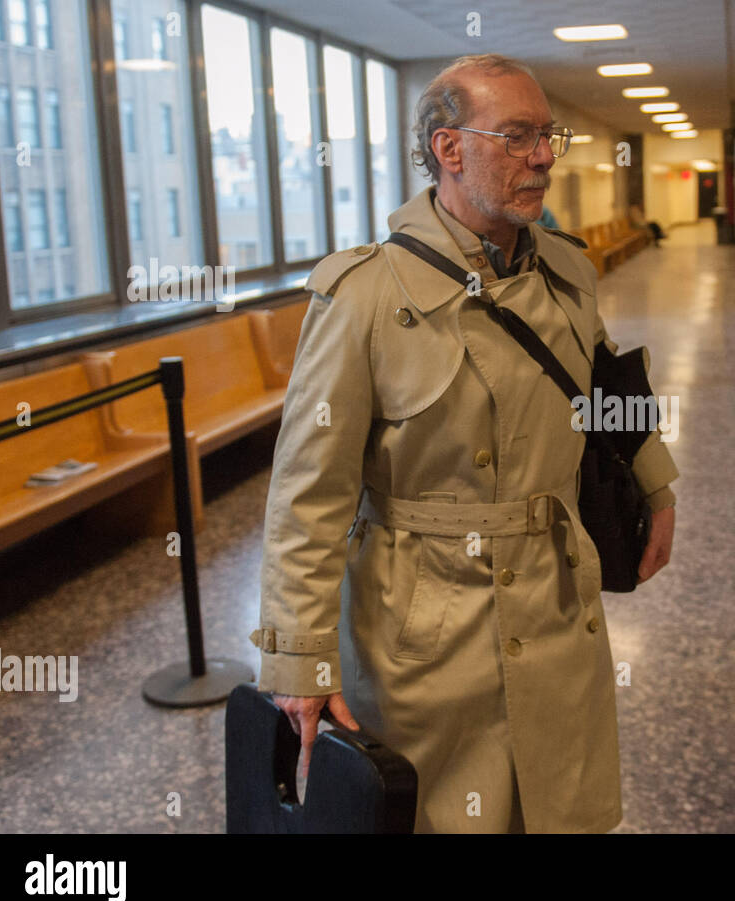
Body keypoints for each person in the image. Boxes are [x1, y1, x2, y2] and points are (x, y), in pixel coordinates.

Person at [250, 53, 679, 834]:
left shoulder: (566, 271)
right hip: (425, 621)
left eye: (548, 135)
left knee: (557, 807)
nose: (544, 156)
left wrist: (658, 487)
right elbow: (308, 492)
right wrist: (298, 659)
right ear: (449, 149)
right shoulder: (365, 296)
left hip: (554, 593)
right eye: (516, 136)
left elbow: (601, 384)